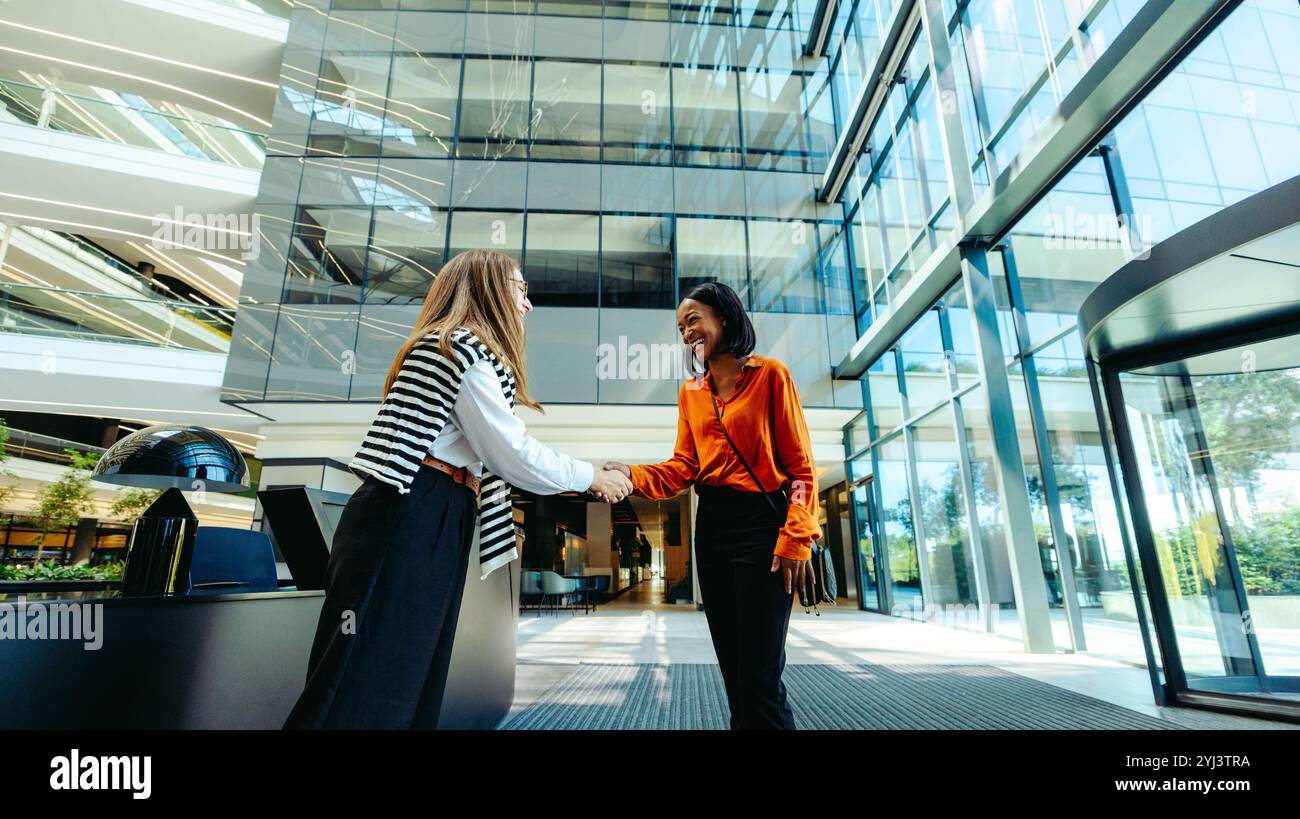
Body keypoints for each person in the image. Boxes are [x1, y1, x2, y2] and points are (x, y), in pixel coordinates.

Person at [284, 249, 632, 730]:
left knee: (410, 668)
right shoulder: (456, 349)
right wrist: (594, 477)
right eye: (519, 288)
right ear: (488, 289)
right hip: (411, 506)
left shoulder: (465, 352)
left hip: (435, 507)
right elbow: (512, 452)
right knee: (368, 670)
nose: (527, 305)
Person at [603, 282, 821, 730]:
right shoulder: (691, 393)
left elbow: (801, 469)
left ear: (724, 317)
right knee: (735, 674)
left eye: (693, 320)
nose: (687, 332)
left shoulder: (771, 376)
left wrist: (796, 537)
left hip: (763, 527)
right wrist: (632, 474)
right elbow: (683, 466)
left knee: (760, 677)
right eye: (681, 327)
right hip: (714, 527)